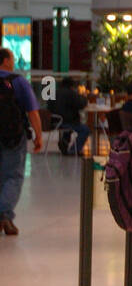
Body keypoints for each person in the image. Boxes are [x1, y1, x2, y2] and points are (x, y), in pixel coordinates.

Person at [0, 47, 41, 236]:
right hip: (13, 136)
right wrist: (38, 136)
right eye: (12, 58)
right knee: (13, 176)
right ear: (6, 61)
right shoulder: (18, 82)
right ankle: (3, 214)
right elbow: (32, 112)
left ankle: (4, 216)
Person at [49, 76, 89, 156]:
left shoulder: (54, 93)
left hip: (54, 122)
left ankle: (64, 142)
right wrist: (84, 98)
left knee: (69, 127)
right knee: (85, 130)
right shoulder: (71, 94)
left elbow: (48, 107)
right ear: (71, 85)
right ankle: (74, 150)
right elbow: (81, 104)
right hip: (68, 122)